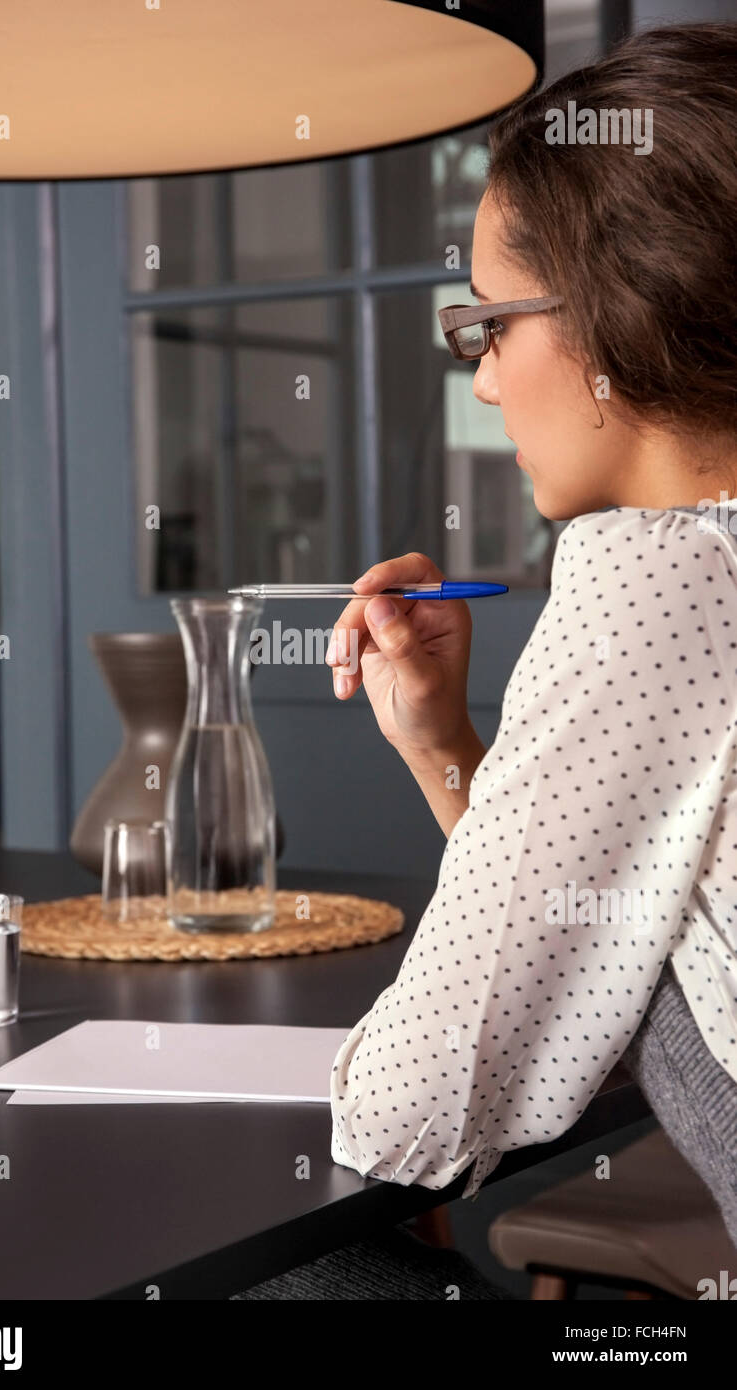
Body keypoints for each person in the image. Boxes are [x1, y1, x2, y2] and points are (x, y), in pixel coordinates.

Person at [233, 20, 737, 1299]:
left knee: (299, 1275)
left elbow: (415, 1109)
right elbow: (596, 932)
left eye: (489, 326)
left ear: (617, 311)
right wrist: (445, 745)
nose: (483, 382)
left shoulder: (661, 571)